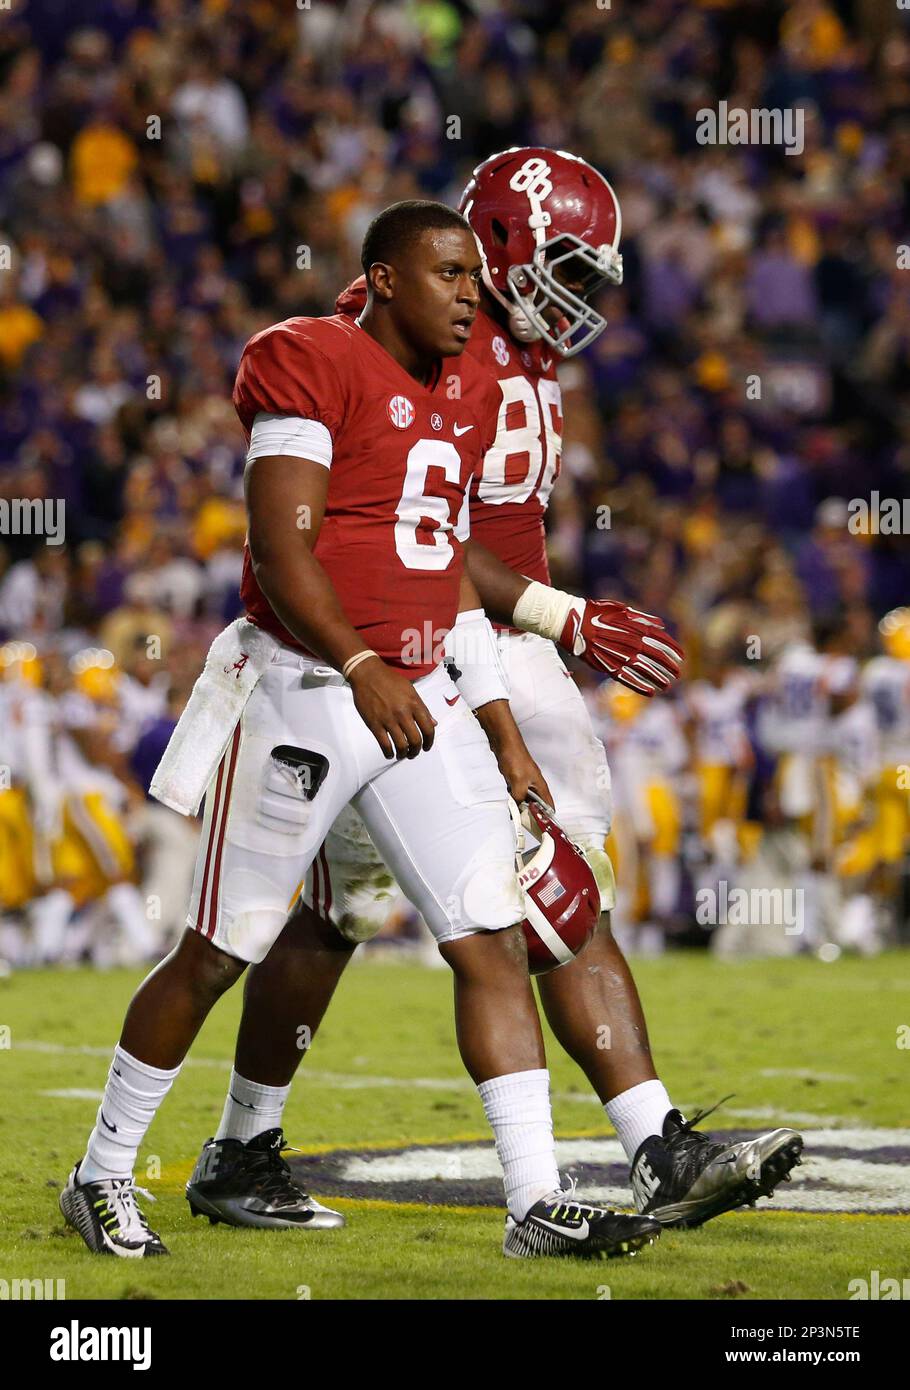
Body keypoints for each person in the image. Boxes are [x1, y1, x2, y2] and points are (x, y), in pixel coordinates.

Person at [188, 150, 802, 1235]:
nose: (581, 296)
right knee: (482, 894)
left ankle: (249, 1144)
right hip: (437, 641)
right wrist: (552, 617)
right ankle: (641, 1150)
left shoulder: (505, 342)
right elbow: (406, 535)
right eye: (563, 267)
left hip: (466, 639)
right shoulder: (409, 345)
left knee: (374, 909)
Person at [60, 200, 661, 1262]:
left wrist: (504, 736)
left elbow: (448, 581)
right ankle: (102, 1172)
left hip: (418, 688)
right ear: (382, 279)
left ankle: (535, 1199)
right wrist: (359, 662)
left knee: (487, 934)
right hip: (304, 683)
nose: (470, 295)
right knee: (221, 948)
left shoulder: (471, 388)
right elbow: (283, 549)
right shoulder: (309, 360)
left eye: (475, 275)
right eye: (444, 274)